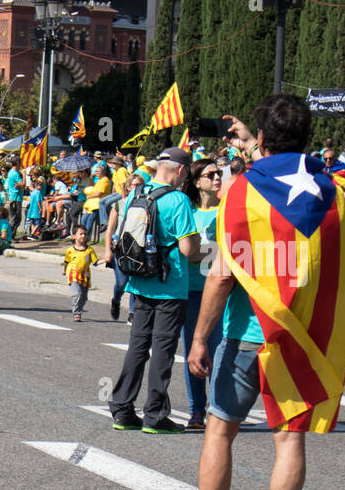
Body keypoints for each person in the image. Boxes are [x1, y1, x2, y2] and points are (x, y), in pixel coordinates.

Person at [171, 95, 345, 490]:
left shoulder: (242, 193)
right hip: (298, 336)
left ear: (262, 140)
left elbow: (221, 274)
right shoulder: (330, 191)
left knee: (220, 430)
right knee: (289, 440)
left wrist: (200, 338)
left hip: (245, 333)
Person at [106, 146, 199, 433]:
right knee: (162, 350)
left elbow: (123, 235)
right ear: (181, 171)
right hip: (170, 286)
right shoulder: (179, 200)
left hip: (140, 281)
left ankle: (122, 408)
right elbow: (188, 249)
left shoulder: (136, 194)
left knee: (137, 346)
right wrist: (204, 251)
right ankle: (156, 414)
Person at [180, 158, 225, 428]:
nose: (218, 178)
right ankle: (196, 410)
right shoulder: (190, 212)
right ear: (197, 182)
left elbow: (234, 251)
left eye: (220, 173)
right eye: (211, 174)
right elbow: (182, 251)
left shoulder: (226, 212)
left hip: (221, 290)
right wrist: (206, 254)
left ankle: (218, 408)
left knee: (219, 351)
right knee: (194, 351)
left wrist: (198, 254)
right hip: (192, 290)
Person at [64, 224, 98, 321]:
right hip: (73, 275)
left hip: (85, 277)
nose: (83, 236)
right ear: (74, 236)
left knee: (83, 297)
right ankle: (76, 312)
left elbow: (95, 262)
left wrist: (107, 260)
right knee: (77, 294)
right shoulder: (70, 250)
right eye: (81, 234)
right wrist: (64, 270)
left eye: (85, 234)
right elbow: (66, 262)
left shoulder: (89, 250)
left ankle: (79, 308)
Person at [5, 156, 24, 240]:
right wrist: (23, 175)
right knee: (16, 218)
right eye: (20, 163)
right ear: (17, 163)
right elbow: (22, 184)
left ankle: (11, 235)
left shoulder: (10, 172)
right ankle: (10, 235)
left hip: (13, 197)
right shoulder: (15, 173)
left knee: (15, 217)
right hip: (16, 198)